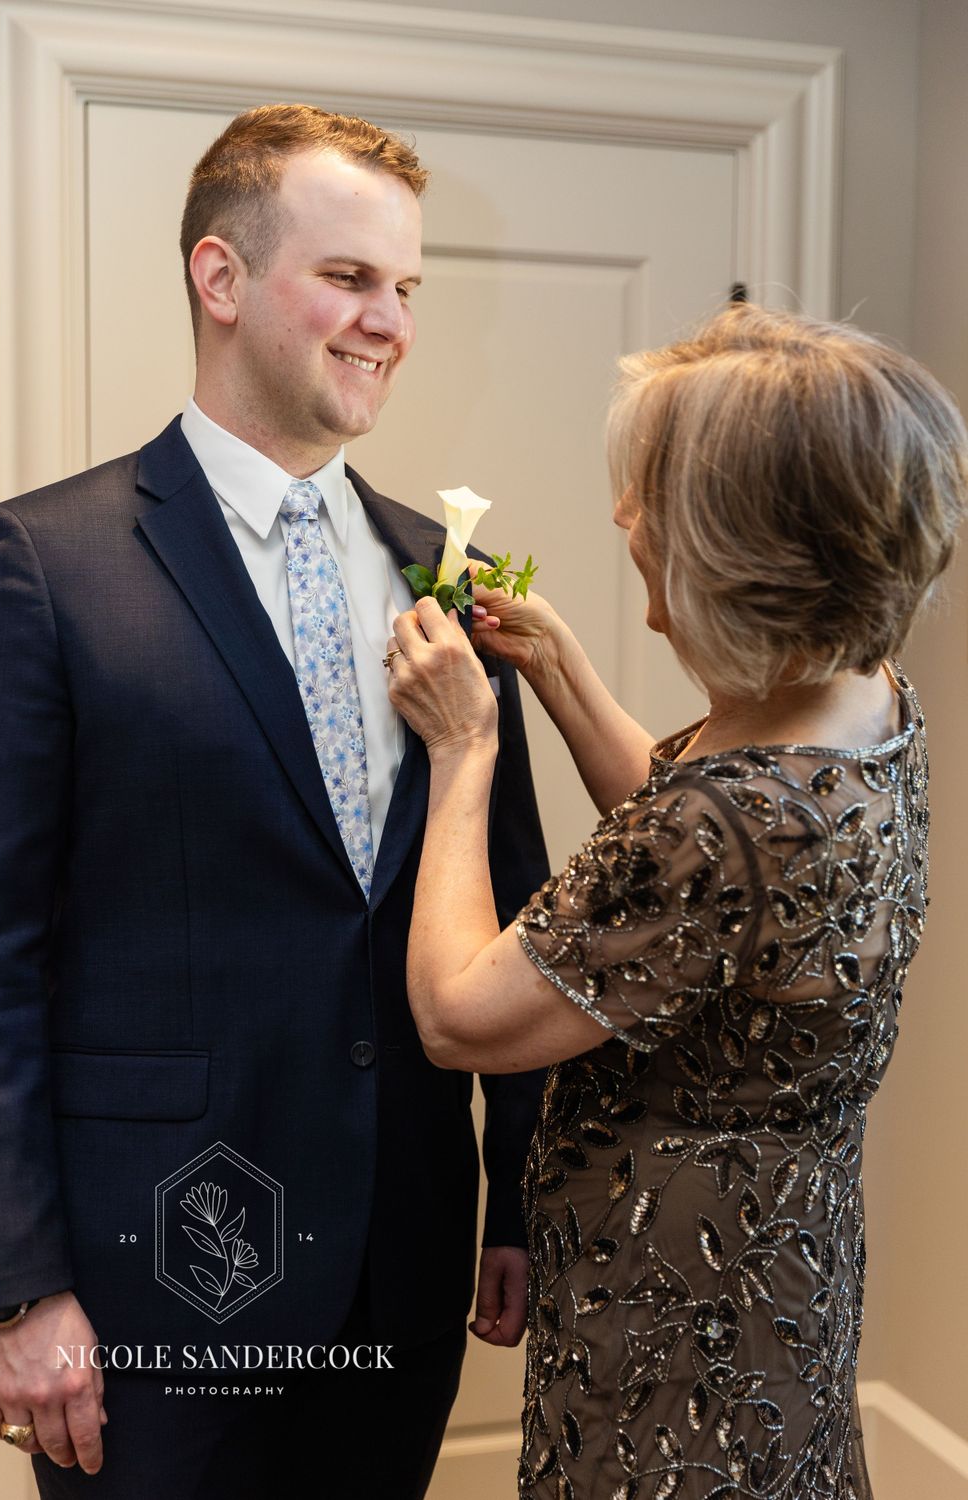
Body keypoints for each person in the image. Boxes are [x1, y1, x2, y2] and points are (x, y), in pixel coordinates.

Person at [0, 104, 548, 1499]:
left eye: (405, 288)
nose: (389, 322)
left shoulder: (446, 578)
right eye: (349, 279)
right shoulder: (41, 567)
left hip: (399, 1257)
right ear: (220, 279)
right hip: (151, 1282)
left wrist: (518, 1191)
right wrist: (8, 1285)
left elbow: (524, 903)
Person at [385, 304, 967, 1499]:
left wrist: (463, 751)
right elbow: (698, 887)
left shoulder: (728, 819)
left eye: (650, 493)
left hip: (676, 1339)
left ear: (739, 544)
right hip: (784, 1286)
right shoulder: (866, 704)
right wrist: (559, 672)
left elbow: (457, 1015)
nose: (620, 517)